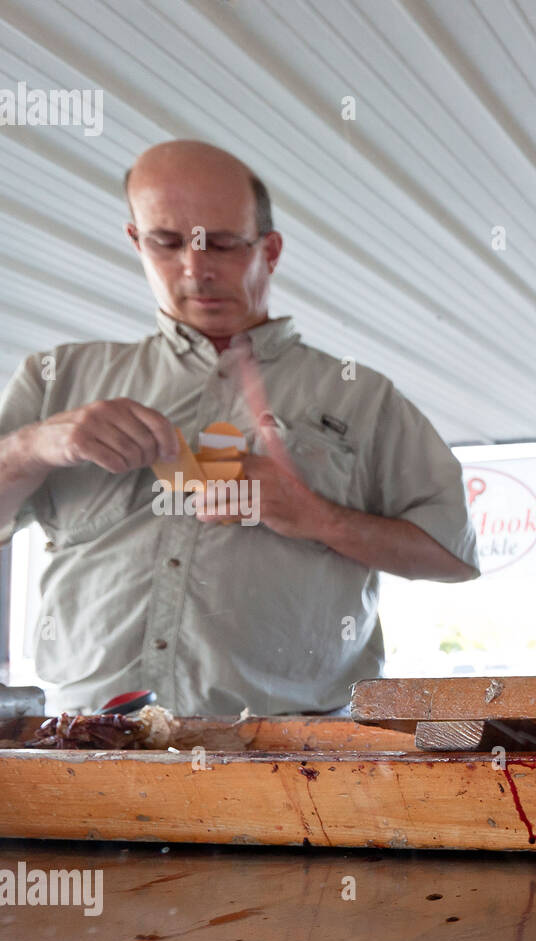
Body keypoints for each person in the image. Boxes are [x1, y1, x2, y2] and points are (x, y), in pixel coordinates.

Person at [0, 140, 478, 717]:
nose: (195, 269)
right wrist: (34, 446)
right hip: (89, 743)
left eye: (222, 244)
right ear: (135, 240)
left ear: (269, 250)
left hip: (291, 761)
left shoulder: (362, 396)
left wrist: (314, 516)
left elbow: (454, 554)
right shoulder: (58, 380)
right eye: (167, 242)